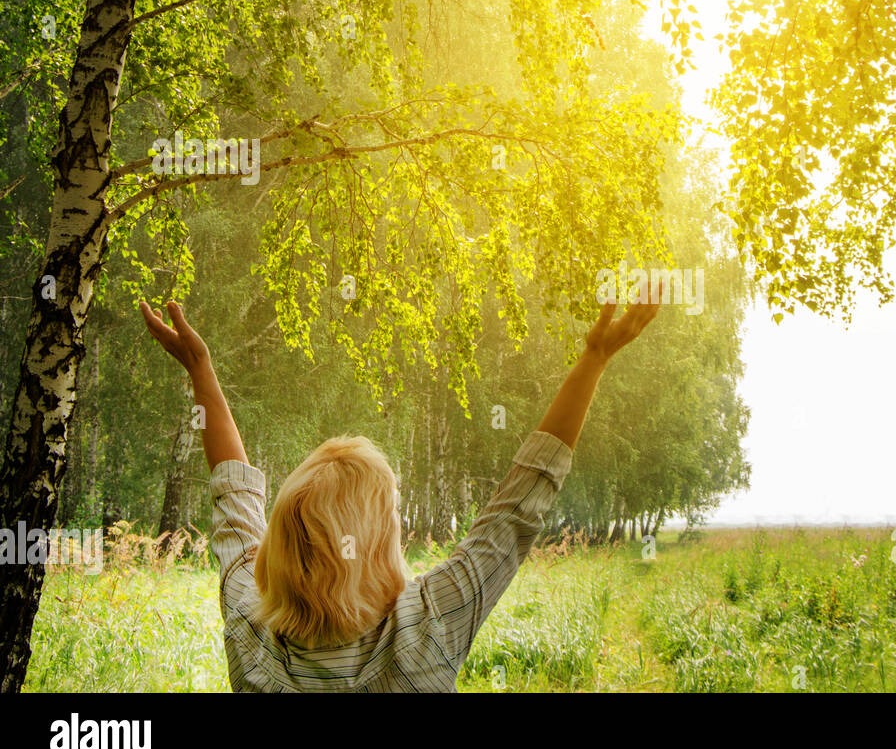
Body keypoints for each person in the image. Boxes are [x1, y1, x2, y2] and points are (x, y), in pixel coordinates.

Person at [139, 289, 659, 691]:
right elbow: (519, 506)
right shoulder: (429, 627)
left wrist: (201, 370)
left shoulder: (250, 631)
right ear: (375, 545)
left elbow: (235, 498)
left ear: (280, 548)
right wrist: (594, 357)